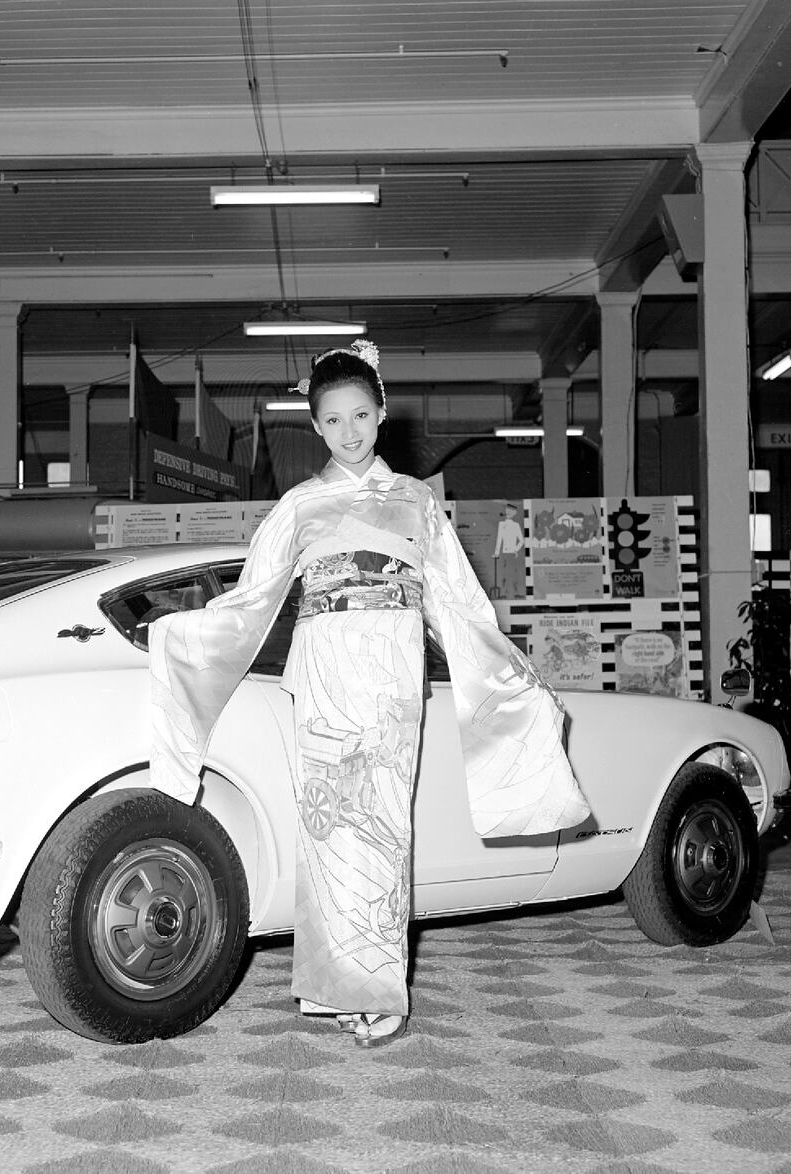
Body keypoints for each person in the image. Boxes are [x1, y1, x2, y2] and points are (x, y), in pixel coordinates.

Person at [147, 340, 591, 1048]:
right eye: (332, 420)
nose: (349, 431)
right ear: (315, 427)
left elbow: (459, 605)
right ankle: (339, 987)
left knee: (384, 831)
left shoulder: (418, 501)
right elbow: (253, 600)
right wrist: (179, 637)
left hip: (389, 680)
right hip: (324, 674)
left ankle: (377, 989)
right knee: (330, 833)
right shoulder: (299, 506)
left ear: (381, 413)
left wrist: (510, 671)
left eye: (360, 414)